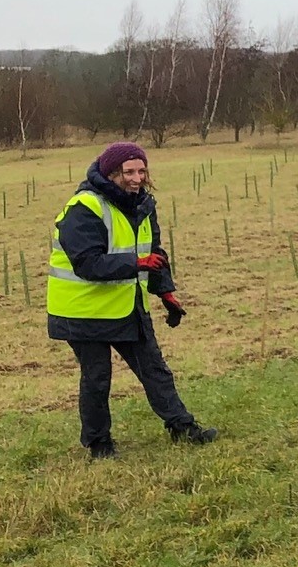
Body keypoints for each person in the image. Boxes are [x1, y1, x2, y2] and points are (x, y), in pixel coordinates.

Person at [47, 142, 217, 459]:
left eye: (141, 171)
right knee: (97, 380)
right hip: (82, 312)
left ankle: (182, 428)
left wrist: (165, 292)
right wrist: (136, 265)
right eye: (128, 172)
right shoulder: (84, 208)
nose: (136, 178)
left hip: (127, 306)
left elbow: (154, 255)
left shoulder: (142, 206)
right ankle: (99, 444)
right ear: (112, 173)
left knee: (156, 370)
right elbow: (87, 264)